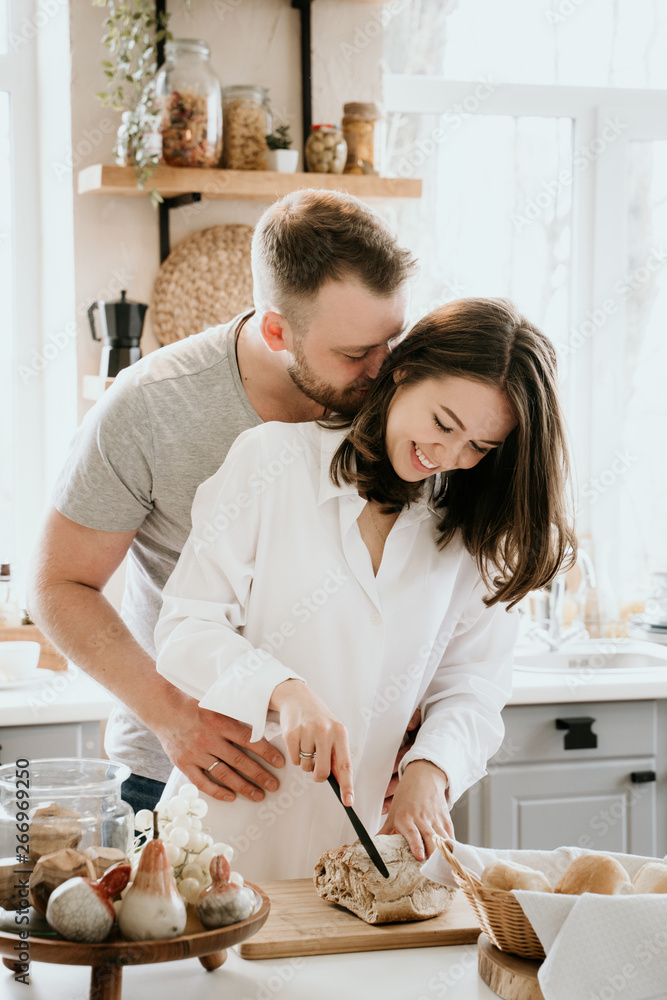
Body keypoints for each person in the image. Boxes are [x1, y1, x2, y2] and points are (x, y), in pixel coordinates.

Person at [154, 297, 577, 881]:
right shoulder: (272, 464)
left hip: (363, 851)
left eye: (479, 447)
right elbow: (184, 629)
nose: (448, 456)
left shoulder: (474, 529)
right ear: (403, 371)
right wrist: (284, 690)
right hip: (222, 831)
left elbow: (474, 686)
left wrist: (431, 770)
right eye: (443, 424)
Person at [26, 189, 418, 816]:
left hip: (343, 783)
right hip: (181, 770)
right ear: (276, 329)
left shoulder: (396, 394)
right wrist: (174, 719)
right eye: (353, 354)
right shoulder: (151, 406)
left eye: (390, 339)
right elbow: (56, 584)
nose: (384, 370)